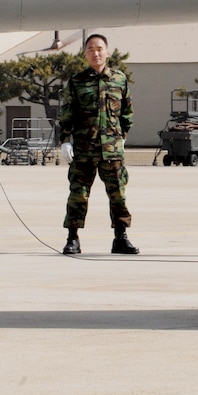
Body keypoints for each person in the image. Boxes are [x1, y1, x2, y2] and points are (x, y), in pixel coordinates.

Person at [59, 33, 139, 255]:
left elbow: (127, 112)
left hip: (112, 149)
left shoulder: (119, 80)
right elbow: (67, 113)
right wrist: (66, 140)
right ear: (85, 54)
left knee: (118, 194)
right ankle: (72, 238)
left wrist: (122, 137)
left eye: (99, 48)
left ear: (107, 52)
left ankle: (121, 237)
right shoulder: (76, 81)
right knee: (78, 195)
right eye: (91, 49)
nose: (96, 53)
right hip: (84, 149)